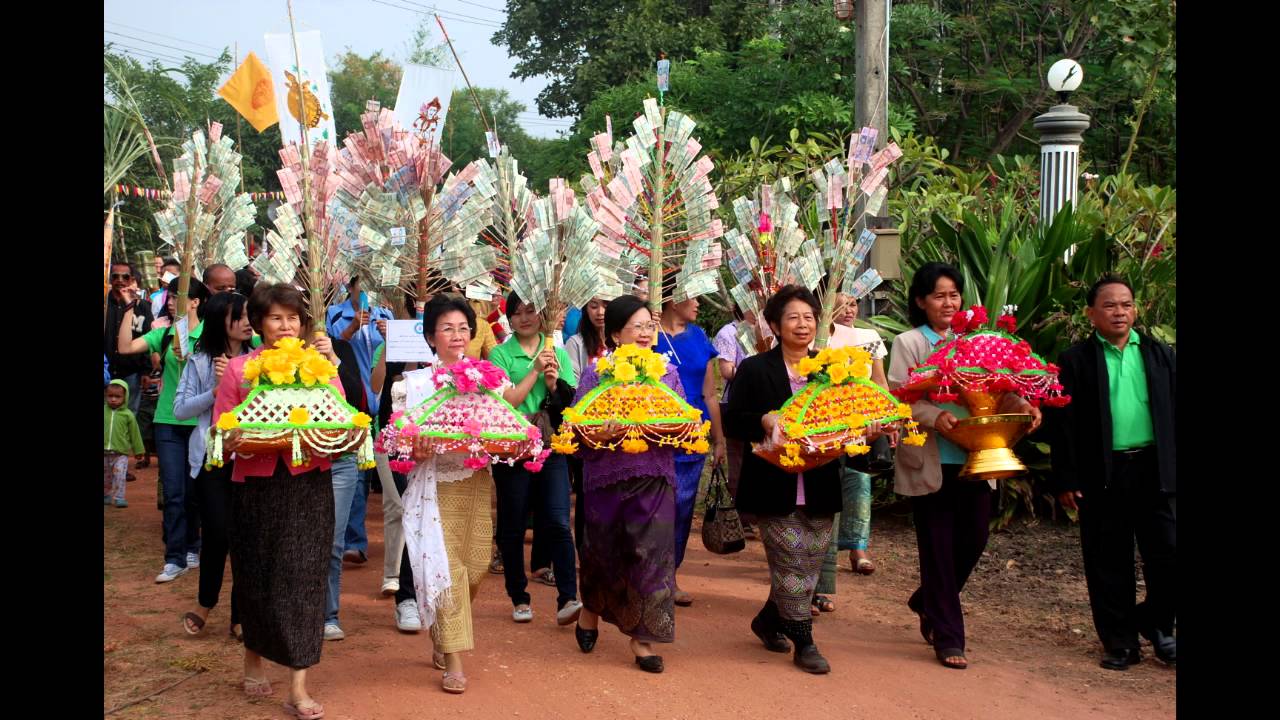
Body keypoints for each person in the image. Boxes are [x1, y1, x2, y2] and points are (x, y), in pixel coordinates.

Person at [888, 262, 1042, 670]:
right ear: (921, 301)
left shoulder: (979, 341)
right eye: (938, 295)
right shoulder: (908, 343)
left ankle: (927, 601)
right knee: (937, 548)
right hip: (932, 460)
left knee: (974, 539)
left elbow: (1003, 389)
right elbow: (899, 398)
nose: (948, 302)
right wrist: (933, 415)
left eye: (953, 295)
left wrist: (1024, 407)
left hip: (978, 458)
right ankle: (948, 636)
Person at [214, 283, 346, 719]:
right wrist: (237, 438)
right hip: (255, 485)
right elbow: (221, 432)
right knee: (256, 574)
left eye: (293, 318)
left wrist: (332, 373)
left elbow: (343, 418)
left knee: (306, 575)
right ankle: (253, 657)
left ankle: (298, 686)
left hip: (308, 482)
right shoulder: (240, 369)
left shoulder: (319, 366)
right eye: (276, 318)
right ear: (258, 323)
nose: (286, 326)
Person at [1051, 276, 1175, 670]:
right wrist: (1066, 478)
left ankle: (1156, 621)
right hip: (1102, 472)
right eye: (1109, 305)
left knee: (1169, 553)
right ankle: (1120, 642)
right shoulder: (1075, 360)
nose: (1119, 312)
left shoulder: (1160, 354)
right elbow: (1063, 424)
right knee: (1108, 560)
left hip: (1155, 469)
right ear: (1091, 314)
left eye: (1126, 304)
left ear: (1135, 310)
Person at [726, 285, 848, 674]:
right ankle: (804, 640)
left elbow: (848, 418)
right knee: (791, 559)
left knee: (807, 567)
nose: (802, 324)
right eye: (793, 317)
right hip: (772, 484)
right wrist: (763, 420)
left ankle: (768, 620)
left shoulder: (831, 371)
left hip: (820, 484)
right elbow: (732, 420)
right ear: (775, 325)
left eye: (809, 317)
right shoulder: (754, 368)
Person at [392, 295, 501, 694]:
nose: (457, 336)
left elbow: (503, 426)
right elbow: (397, 445)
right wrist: (414, 450)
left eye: (463, 328)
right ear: (430, 337)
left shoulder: (487, 381)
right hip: (435, 486)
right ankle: (453, 659)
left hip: (476, 481)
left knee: (477, 566)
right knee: (449, 571)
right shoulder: (413, 385)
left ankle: (444, 629)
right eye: (447, 329)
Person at [572, 294, 686, 674]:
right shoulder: (596, 374)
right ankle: (590, 609)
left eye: (649, 326)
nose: (644, 333)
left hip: (654, 474)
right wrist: (601, 434)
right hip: (606, 476)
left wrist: (663, 427)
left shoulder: (667, 373)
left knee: (652, 555)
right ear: (615, 335)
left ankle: (643, 638)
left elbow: (683, 421)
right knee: (603, 552)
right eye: (636, 326)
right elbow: (576, 429)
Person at [488, 293, 582, 626]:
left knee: (558, 520)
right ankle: (519, 597)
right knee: (512, 524)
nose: (524, 318)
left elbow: (570, 404)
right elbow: (506, 401)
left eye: (530, 311)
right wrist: (535, 371)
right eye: (517, 313)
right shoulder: (500, 354)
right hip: (511, 447)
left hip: (551, 445)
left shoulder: (558, 351)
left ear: (542, 314)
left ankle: (568, 597)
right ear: (509, 319)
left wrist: (554, 383)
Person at [118, 276, 212, 584]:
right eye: (169, 297)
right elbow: (125, 347)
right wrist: (130, 308)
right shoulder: (165, 333)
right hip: (167, 421)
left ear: (195, 301)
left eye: (176, 296)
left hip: (200, 422)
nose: (170, 302)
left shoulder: (210, 334)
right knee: (173, 492)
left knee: (193, 492)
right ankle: (174, 557)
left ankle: (193, 546)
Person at [173, 291, 255, 640]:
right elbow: (180, 410)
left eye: (251, 315)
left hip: (252, 456)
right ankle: (206, 602)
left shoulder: (260, 359)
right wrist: (216, 390)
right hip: (212, 458)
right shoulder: (200, 361)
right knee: (218, 532)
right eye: (240, 316)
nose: (248, 322)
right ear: (222, 320)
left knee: (245, 538)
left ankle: (240, 615)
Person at [813, 292, 891, 612]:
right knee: (824, 501)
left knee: (859, 486)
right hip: (821, 429)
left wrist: (887, 417)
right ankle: (817, 582)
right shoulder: (816, 338)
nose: (848, 309)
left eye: (853, 303)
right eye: (840, 303)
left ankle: (858, 549)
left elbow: (879, 381)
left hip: (862, 428)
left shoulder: (868, 337)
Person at [654, 292, 726, 606]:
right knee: (653, 509)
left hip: (693, 436)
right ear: (673, 300)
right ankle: (647, 575)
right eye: (693, 298)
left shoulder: (699, 337)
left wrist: (719, 439)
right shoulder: (648, 334)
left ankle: (669, 576)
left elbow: (710, 393)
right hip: (653, 435)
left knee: (682, 509)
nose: (698, 304)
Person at [370, 291, 433, 608]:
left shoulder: (441, 348)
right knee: (397, 505)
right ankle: (393, 575)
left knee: (419, 507)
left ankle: (417, 575)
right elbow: (376, 386)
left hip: (429, 438)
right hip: (390, 435)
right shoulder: (390, 341)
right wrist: (390, 345)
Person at [326, 275, 394, 565]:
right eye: (362, 287)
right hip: (349, 397)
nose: (368, 293)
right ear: (350, 288)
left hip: (381, 398)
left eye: (374, 286)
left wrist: (390, 336)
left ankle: (353, 538)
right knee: (354, 470)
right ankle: (352, 541)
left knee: (367, 469)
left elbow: (398, 356)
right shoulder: (334, 313)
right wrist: (353, 326)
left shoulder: (386, 315)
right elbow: (331, 350)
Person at [321, 334, 372, 641]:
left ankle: (329, 614)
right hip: (295, 459)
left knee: (333, 542)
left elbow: (357, 399)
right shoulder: (272, 355)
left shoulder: (338, 347)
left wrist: (332, 359)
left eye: (294, 318)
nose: (288, 325)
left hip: (339, 459)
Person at [563, 297, 608, 550]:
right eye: (593, 306)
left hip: (620, 429)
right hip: (588, 429)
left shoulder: (623, 343)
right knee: (586, 491)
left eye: (606, 306)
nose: (600, 312)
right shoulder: (576, 344)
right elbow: (573, 386)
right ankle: (585, 549)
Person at [105, 261, 154, 413]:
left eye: (125, 277)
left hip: (132, 372)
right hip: (105, 370)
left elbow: (149, 337)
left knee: (129, 415)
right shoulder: (105, 303)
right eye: (115, 276)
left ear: (131, 279)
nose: (120, 280)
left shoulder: (143, 306)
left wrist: (146, 371)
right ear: (110, 278)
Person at [104, 380, 145, 508]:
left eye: (117, 396)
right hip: (104, 452)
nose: (113, 399)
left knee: (120, 475)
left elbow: (135, 434)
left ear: (125, 397)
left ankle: (119, 497)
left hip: (120, 453)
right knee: (105, 477)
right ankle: (106, 495)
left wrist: (138, 450)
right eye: (110, 396)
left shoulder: (128, 415)